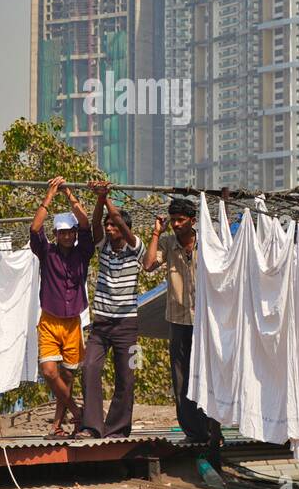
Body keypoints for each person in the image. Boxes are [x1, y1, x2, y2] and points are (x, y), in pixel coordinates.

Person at [143, 196, 222, 465]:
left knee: (209, 375)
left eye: (180, 220)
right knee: (181, 378)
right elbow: (149, 264)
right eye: (173, 220)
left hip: (205, 321)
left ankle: (213, 430)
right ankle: (194, 430)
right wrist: (156, 232)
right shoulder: (168, 243)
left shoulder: (209, 243)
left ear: (192, 220)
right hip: (178, 321)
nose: (176, 224)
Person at [76, 180, 145, 439]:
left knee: (127, 378)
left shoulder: (134, 247)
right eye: (108, 224)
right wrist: (99, 201)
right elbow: (95, 225)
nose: (108, 227)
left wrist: (106, 197)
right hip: (102, 324)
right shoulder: (103, 245)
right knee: (90, 368)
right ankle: (92, 426)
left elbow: (118, 218)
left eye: (113, 225)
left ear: (124, 229)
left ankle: (117, 429)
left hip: (127, 326)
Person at [29, 176, 95, 437]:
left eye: (71, 231)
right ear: (56, 234)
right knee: (49, 371)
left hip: (73, 322)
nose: (67, 236)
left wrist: (69, 194)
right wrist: (50, 196)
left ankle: (58, 426)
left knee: (66, 379)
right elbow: (35, 229)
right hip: (50, 320)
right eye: (63, 232)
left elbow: (87, 223)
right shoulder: (47, 252)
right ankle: (78, 414)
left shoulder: (83, 252)